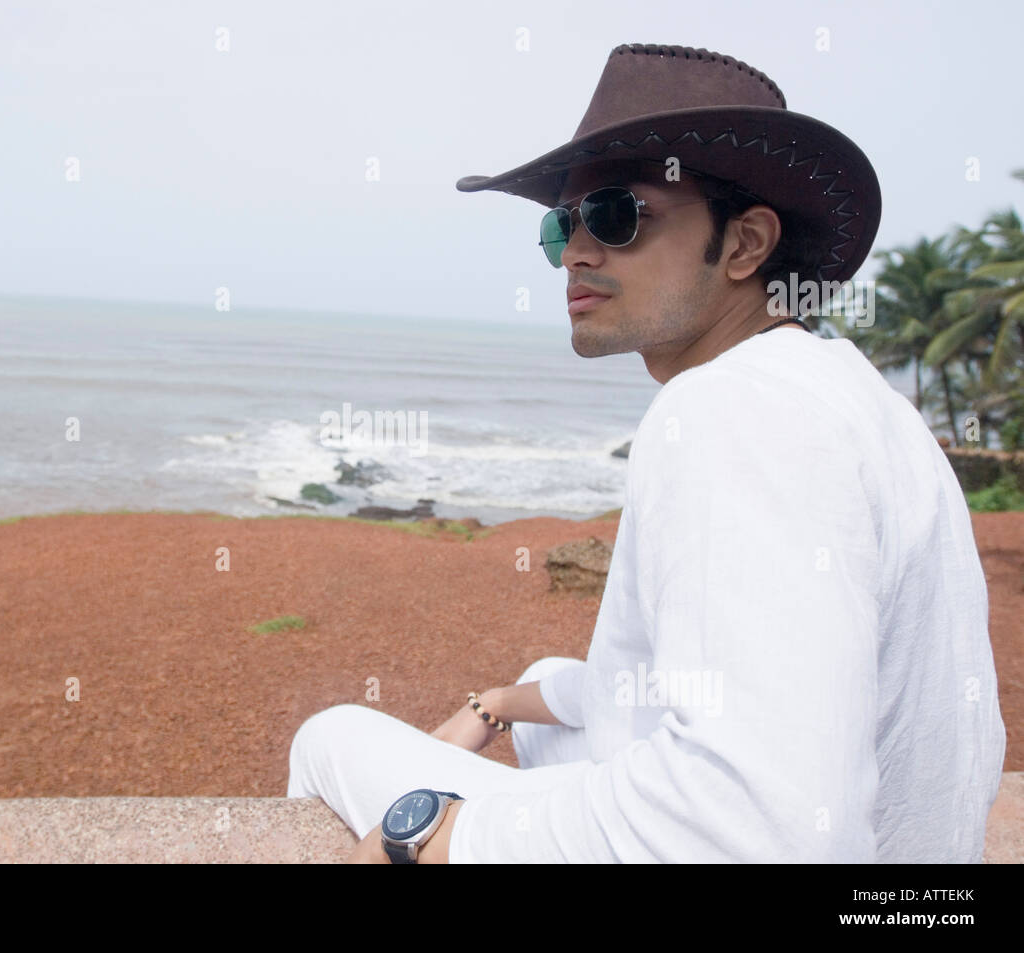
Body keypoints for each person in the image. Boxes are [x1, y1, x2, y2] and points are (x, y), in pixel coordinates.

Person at [286, 43, 1007, 863]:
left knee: (327, 733)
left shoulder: (725, 406)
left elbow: (757, 824)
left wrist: (448, 834)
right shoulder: (862, 400)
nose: (578, 253)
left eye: (618, 216)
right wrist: (496, 704)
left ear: (745, 245)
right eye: (562, 225)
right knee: (559, 672)